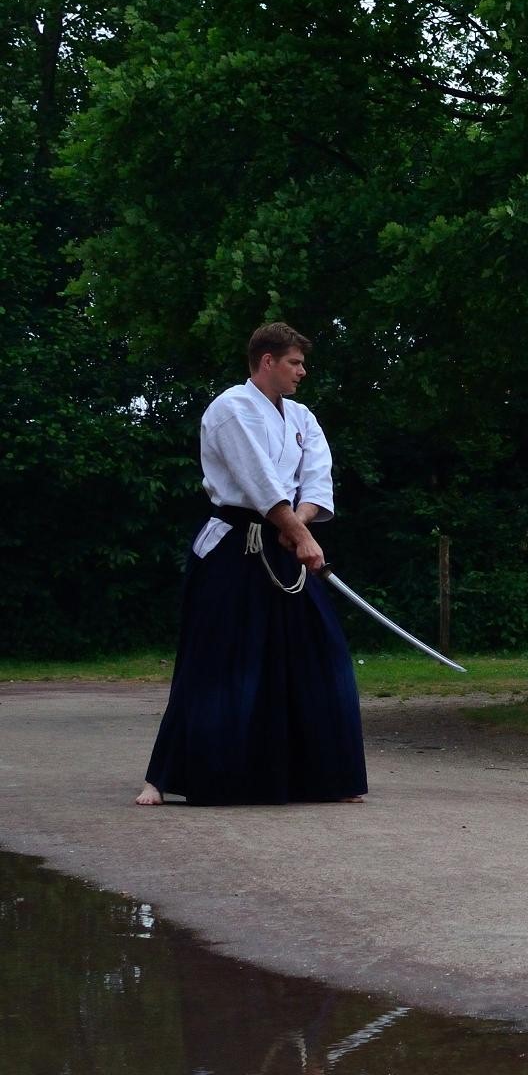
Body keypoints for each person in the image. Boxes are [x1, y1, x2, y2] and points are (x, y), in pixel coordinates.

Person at [135, 322, 367, 806]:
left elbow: (317, 478)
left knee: (318, 653)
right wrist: (297, 532)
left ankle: (321, 774)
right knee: (217, 655)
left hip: (284, 543)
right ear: (267, 361)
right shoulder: (230, 409)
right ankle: (165, 777)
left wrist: (296, 525)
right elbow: (256, 478)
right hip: (233, 545)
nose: (302, 372)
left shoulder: (302, 416)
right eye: (294, 363)